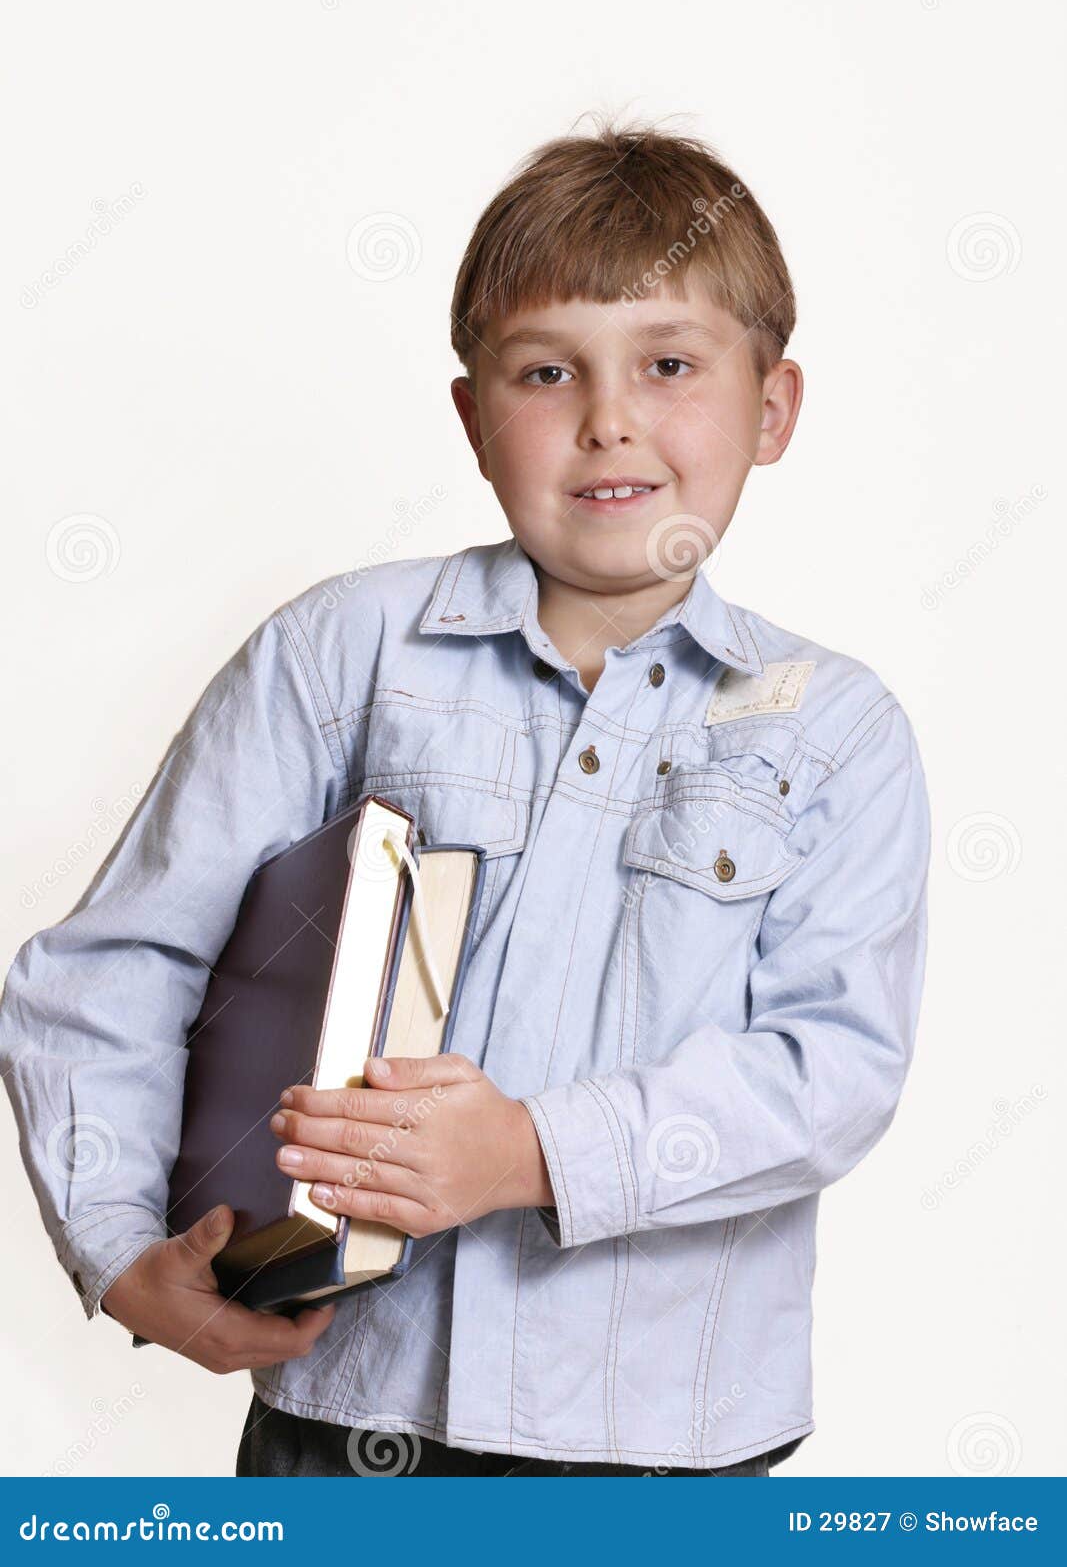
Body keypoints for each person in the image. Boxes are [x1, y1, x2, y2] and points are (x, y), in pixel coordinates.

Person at [0, 122, 930, 1476]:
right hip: (343, 1426)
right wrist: (122, 1242)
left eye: (669, 365)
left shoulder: (836, 729)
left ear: (772, 407)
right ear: (472, 414)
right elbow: (113, 965)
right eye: (546, 371)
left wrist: (526, 1153)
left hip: (671, 1450)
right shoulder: (341, 654)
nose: (609, 417)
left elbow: (831, 1070)